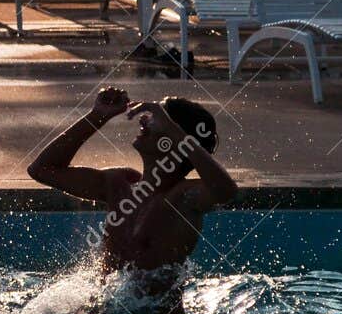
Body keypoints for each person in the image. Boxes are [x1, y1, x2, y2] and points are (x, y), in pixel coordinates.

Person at [28, 87, 238, 289]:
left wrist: (175, 131)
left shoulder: (183, 199)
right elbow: (41, 170)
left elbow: (226, 192)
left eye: (158, 118)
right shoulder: (119, 184)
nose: (143, 119)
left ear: (175, 136)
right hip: (103, 310)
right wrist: (97, 116)